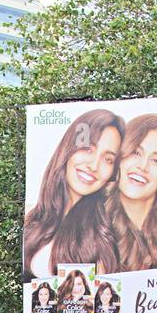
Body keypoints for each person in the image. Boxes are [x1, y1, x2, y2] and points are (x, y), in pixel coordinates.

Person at [23, 108, 125, 279]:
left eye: (108, 159)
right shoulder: (32, 216)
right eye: (87, 149)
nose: (94, 165)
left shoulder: (102, 238)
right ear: (68, 148)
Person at [105, 113, 157, 271]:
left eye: (156, 160)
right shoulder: (93, 223)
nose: (143, 166)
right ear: (119, 158)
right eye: (136, 153)